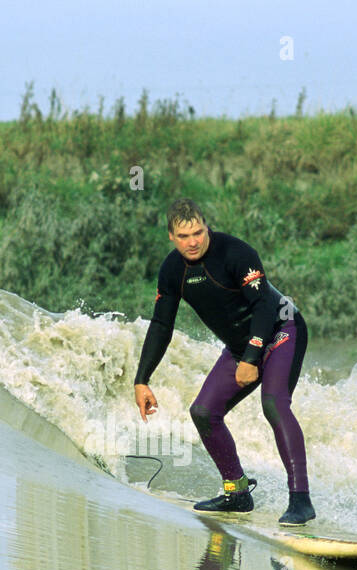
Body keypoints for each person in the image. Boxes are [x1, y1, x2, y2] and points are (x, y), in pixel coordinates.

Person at [133, 199, 314, 524]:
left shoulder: (235, 252)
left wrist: (252, 356)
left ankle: (300, 501)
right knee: (204, 412)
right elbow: (161, 324)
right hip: (240, 347)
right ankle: (237, 493)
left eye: (198, 233)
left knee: (274, 403)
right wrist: (141, 379)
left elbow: (263, 305)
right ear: (171, 236)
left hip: (281, 330)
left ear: (207, 227)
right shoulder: (172, 270)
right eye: (184, 236)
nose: (193, 242)